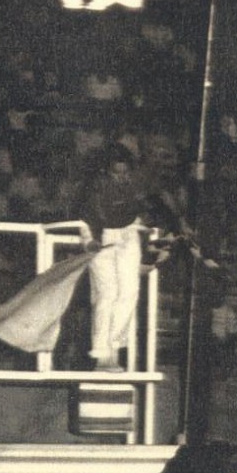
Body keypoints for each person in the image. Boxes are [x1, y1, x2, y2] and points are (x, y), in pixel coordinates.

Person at [76, 145, 153, 370]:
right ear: (105, 172)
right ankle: (102, 353)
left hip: (128, 235)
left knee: (129, 292)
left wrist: (145, 225)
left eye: (125, 173)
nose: (121, 178)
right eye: (115, 174)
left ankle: (114, 344)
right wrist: (89, 240)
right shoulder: (93, 189)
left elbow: (147, 209)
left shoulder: (136, 184)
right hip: (102, 238)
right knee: (106, 294)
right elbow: (84, 219)